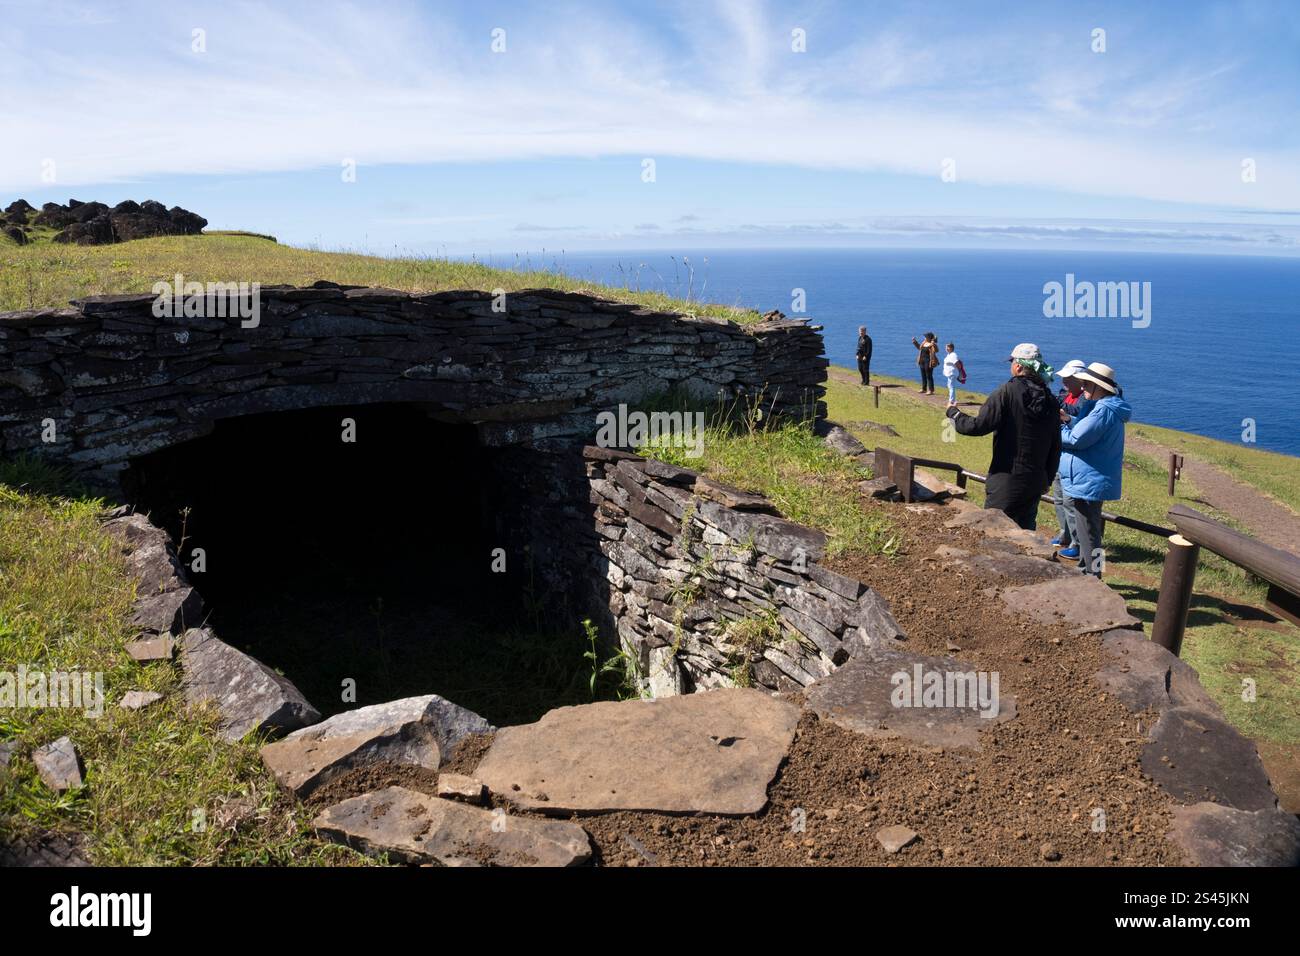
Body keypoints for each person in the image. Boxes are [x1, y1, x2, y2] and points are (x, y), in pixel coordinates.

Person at [945, 343, 1060, 530]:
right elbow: (1056, 444)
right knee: (1026, 537)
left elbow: (978, 426)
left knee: (994, 533)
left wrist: (954, 414)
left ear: (1018, 366)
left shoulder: (1006, 392)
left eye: (1012, 361)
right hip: (1035, 480)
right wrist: (1047, 478)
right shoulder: (1050, 399)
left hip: (1006, 479)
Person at [1059, 363, 1131, 578]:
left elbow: (1076, 439)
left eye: (1086, 384)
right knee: (1090, 533)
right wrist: (1069, 420)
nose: (1082, 389)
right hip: (1091, 478)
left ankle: (1093, 576)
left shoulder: (1102, 411)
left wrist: (1057, 429)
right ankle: (1090, 572)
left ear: (1098, 386)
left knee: (1090, 534)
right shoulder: (1106, 408)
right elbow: (1085, 430)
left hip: (1090, 479)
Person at [1051, 359, 1089, 556]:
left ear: (1079, 379)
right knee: (1058, 497)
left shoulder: (1086, 400)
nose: (1064, 381)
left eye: (1068, 377)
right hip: (1060, 452)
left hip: (1074, 457)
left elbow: (1081, 417)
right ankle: (1064, 534)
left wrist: (1064, 415)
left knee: (1070, 501)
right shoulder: (1064, 395)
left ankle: (1076, 543)